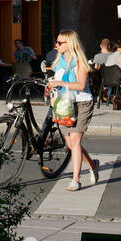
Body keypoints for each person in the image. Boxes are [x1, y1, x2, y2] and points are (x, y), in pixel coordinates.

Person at [47, 29, 98, 191]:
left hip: (82, 103)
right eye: (56, 42)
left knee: (75, 142)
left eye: (60, 42)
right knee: (69, 143)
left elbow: (81, 85)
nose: (57, 45)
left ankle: (76, 179)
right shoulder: (60, 62)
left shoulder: (79, 62)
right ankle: (92, 164)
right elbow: (57, 81)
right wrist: (50, 86)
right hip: (64, 104)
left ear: (70, 44)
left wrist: (61, 84)